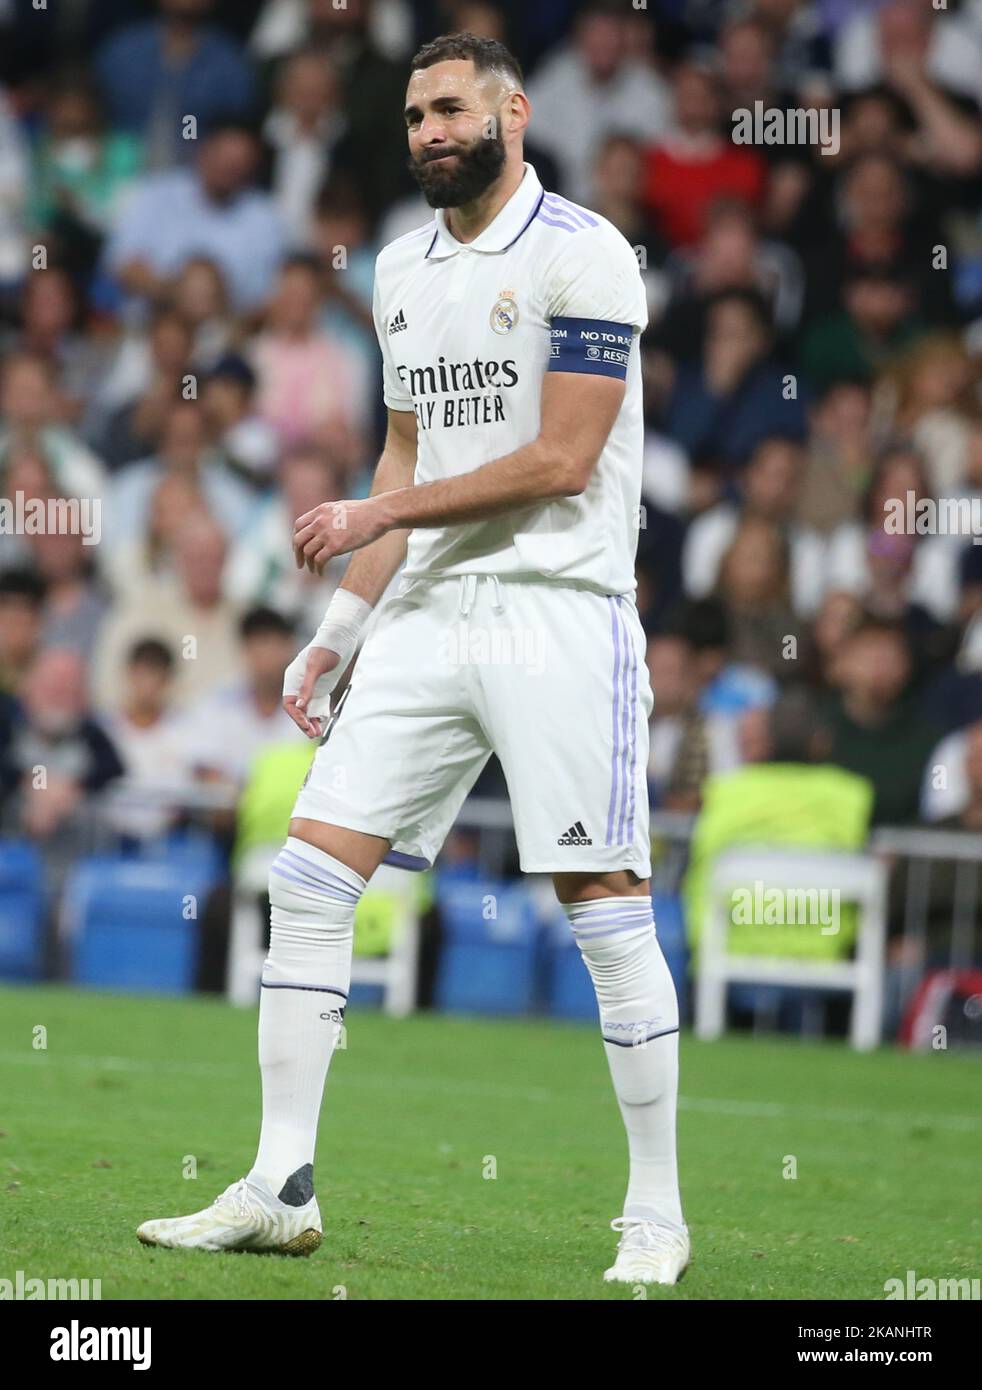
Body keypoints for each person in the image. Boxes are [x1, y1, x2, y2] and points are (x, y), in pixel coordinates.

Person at [136, 30, 688, 1287]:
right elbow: (403, 456)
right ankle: (280, 1182)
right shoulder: (394, 270)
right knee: (310, 872)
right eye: (412, 116)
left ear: (513, 111)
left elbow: (560, 459)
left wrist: (382, 519)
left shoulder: (584, 253)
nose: (429, 131)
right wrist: (339, 631)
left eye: (449, 109)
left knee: (600, 905)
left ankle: (653, 1212)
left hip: (559, 606)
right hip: (428, 614)